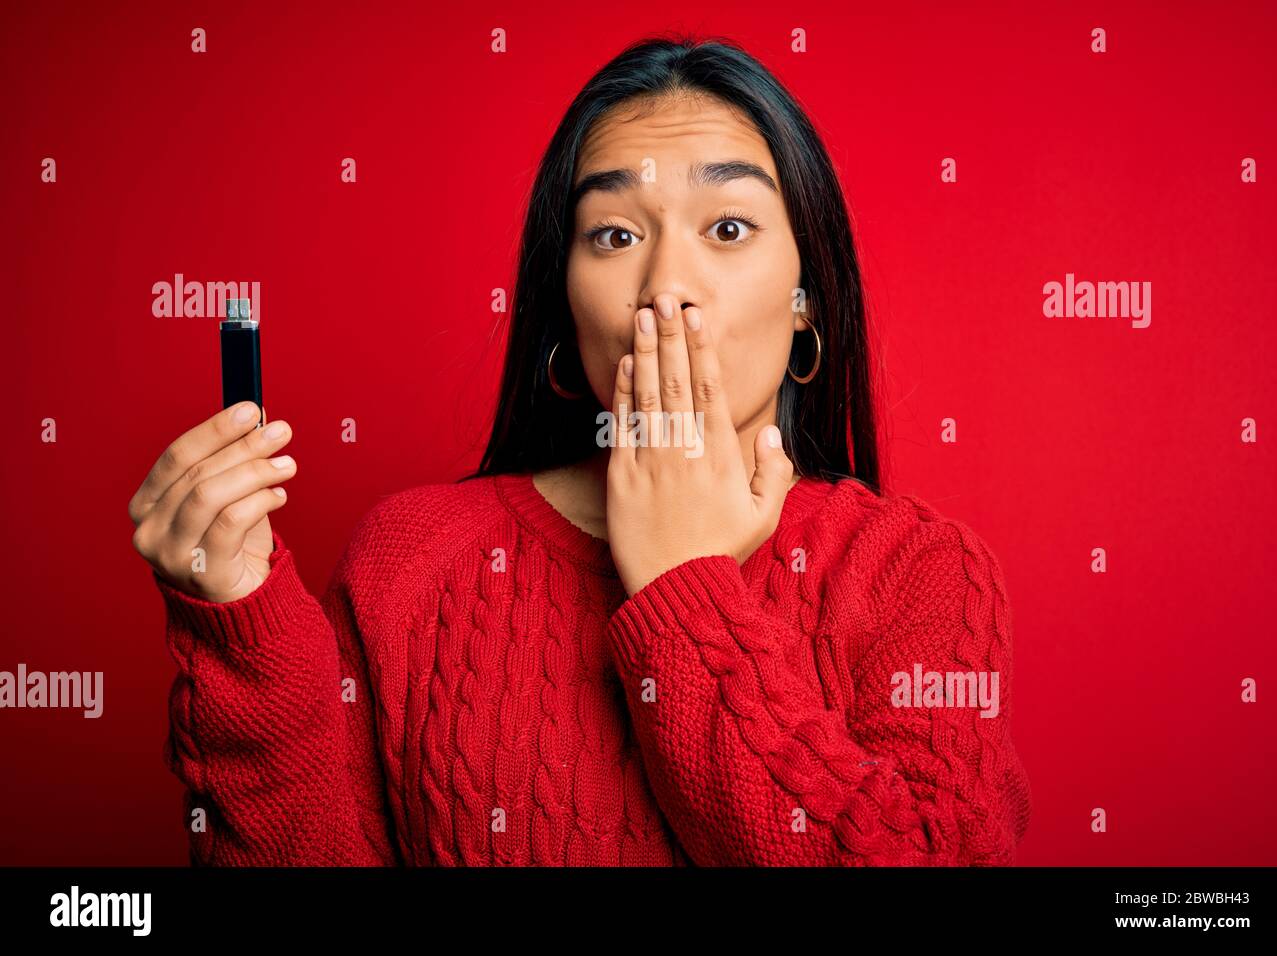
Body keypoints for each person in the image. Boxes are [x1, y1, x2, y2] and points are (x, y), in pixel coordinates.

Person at [128, 34, 1031, 866]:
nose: (665, 287)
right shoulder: (413, 560)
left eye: (727, 229)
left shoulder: (920, 573)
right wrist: (243, 623)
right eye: (615, 235)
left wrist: (684, 582)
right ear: (565, 299)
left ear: (809, 298)